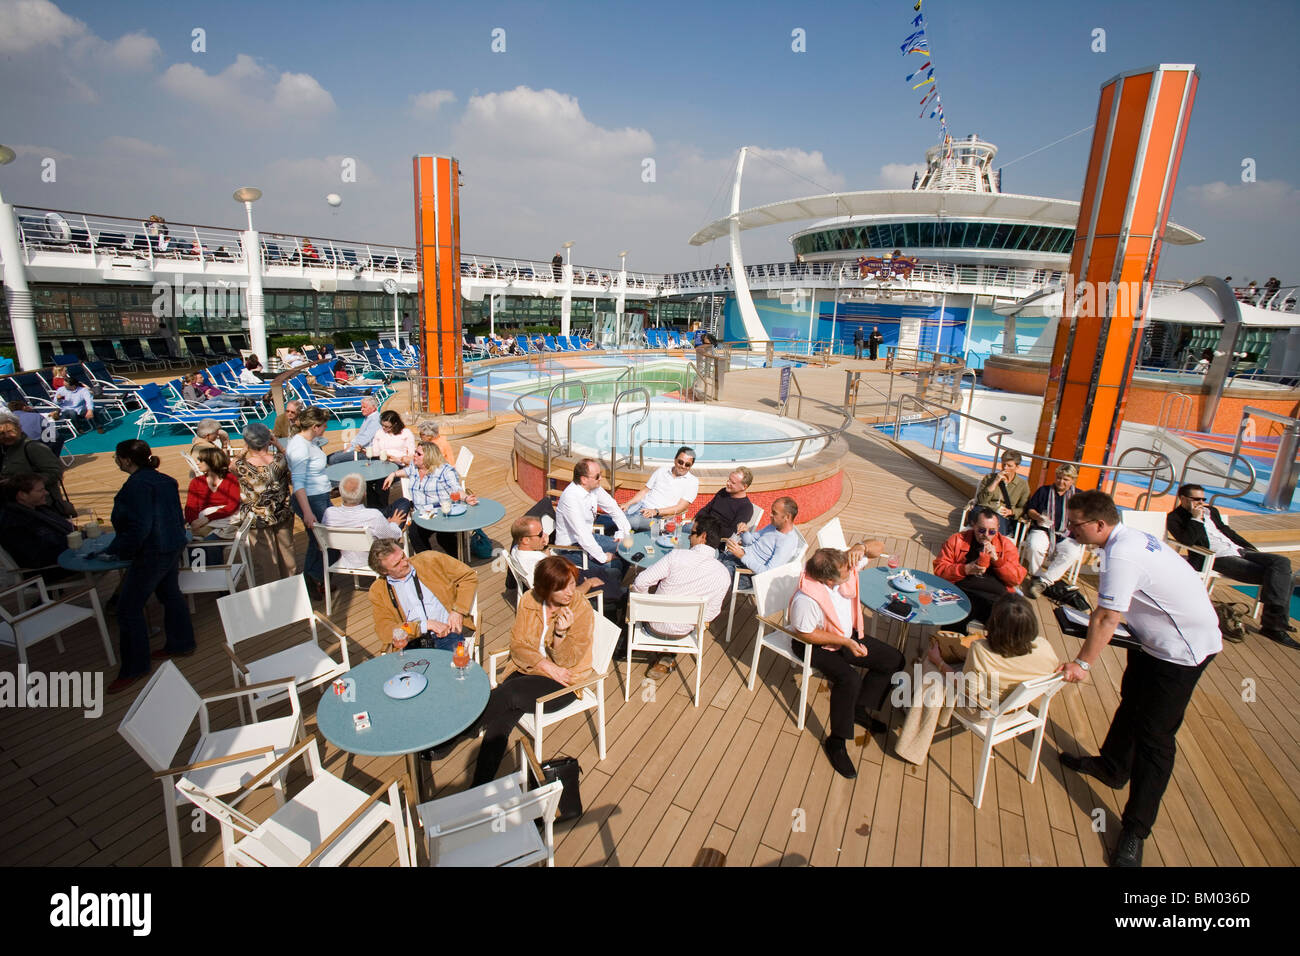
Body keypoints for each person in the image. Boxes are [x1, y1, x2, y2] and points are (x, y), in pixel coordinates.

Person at [1058, 490, 1221, 867]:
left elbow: (1106, 618)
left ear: (1100, 525)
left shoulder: (1122, 554)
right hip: (1152, 641)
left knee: (1155, 740)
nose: (1071, 529)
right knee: (1131, 700)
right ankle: (1112, 767)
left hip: (1182, 652)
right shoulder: (1124, 538)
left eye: (1075, 524)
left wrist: (1083, 664)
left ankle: (1135, 830)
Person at [471, 556, 593, 785]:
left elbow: (568, 662)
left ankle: (465, 727)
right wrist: (543, 664)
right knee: (502, 720)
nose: (571, 591)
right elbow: (517, 645)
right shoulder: (529, 599)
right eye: (563, 587)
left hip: (565, 681)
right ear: (546, 588)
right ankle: (478, 785)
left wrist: (559, 635)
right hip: (531, 669)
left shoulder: (580, 608)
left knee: (509, 692)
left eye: (572, 583)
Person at [895, 594, 1059, 765]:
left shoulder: (982, 650)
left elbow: (967, 689)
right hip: (1016, 708)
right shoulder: (1045, 648)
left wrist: (940, 662)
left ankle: (913, 738)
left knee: (931, 669)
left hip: (982, 712)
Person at [789, 545, 905, 778]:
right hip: (814, 644)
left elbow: (877, 548)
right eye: (845, 573)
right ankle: (836, 741)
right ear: (828, 580)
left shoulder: (839, 568)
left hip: (844, 636)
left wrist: (861, 547)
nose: (851, 573)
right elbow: (805, 633)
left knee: (894, 660)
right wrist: (845, 642)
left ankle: (858, 710)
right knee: (849, 679)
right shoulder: (806, 598)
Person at [101, 440, 195, 693]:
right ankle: (181, 642)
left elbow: (140, 527)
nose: (117, 462)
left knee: (127, 609)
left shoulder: (137, 487)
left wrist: (119, 551)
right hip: (172, 544)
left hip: (152, 552)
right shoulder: (165, 480)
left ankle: (134, 666)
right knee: (170, 594)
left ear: (126, 460)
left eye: (117, 458)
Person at [1166, 484, 1298, 649]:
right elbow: (1187, 540)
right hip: (1219, 557)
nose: (1200, 502)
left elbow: (1228, 532)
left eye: (1202, 499)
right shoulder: (1175, 518)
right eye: (1196, 499)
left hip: (1240, 551)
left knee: (1282, 563)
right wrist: (1195, 519)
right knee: (1285, 577)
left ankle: (1275, 614)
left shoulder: (1211, 511)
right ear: (1183, 499)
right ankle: (1275, 624)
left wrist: (1252, 550)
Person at [631, 514, 732, 679]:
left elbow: (640, 581)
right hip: (683, 633)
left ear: (703, 536)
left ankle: (624, 647)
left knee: (629, 595)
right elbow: (711, 614)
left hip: (653, 626)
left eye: (692, 533)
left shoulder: (676, 556)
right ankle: (667, 657)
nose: (689, 537)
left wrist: (644, 606)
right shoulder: (723, 574)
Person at [367, 538, 476, 652]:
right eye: (397, 564)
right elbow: (384, 630)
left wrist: (458, 610)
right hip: (411, 641)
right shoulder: (378, 590)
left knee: (453, 668)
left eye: (403, 556)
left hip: (447, 634)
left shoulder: (430, 560)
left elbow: (468, 576)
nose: (405, 563)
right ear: (384, 571)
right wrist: (422, 626)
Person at [933, 506, 1027, 628]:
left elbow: (1016, 579)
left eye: (992, 531)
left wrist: (998, 561)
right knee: (953, 624)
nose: (986, 535)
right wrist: (965, 569)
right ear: (973, 525)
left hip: (996, 599)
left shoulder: (1006, 546)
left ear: (998, 529)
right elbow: (940, 570)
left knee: (1007, 629)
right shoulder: (957, 540)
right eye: (981, 530)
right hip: (962, 595)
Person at [383, 441, 474, 556]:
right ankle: (429, 562)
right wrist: (393, 474)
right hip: (422, 514)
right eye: (415, 452)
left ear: (429, 457)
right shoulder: (414, 466)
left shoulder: (444, 471)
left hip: (441, 512)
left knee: (444, 538)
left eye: (418, 454)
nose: (414, 455)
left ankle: (457, 562)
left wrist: (466, 498)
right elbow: (406, 471)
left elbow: (455, 489)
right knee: (414, 534)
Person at [233, 423, 295, 584]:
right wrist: (278, 444)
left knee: (267, 561)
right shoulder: (280, 461)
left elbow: (231, 465)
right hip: (282, 512)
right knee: (287, 553)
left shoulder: (241, 466)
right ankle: (292, 587)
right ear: (268, 440)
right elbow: (292, 461)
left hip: (257, 518)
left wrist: (244, 449)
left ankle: (274, 593)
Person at [284, 406, 332, 600]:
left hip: (319, 495)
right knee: (328, 541)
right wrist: (308, 513)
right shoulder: (300, 446)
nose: (326, 428)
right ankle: (314, 577)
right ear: (314, 427)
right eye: (324, 425)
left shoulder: (305, 441)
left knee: (316, 541)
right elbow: (298, 482)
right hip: (312, 500)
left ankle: (314, 580)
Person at [554, 458, 631, 573]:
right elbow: (581, 534)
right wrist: (603, 557)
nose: (600, 478)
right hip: (571, 549)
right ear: (584, 479)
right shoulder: (570, 498)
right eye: (597, 476)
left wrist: (623, 533)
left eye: (600, 474)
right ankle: (613, 588)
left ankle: (616, 586)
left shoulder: (594, 488)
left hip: (589, 539)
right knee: (614, 566)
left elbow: (613, 508)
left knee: (627, 548)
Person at [322, 473, 408, 570]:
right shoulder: (373, 516)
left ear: (341, 494)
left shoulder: (329, 513)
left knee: (381, 515)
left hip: (347, 558)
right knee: (403, 502)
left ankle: (383, 522)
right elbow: (393, 536)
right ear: (364, 494)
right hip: (375, 558)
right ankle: (385, 522)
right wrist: (393, 523)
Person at [1022, 464, 1084, 597]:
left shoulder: (1079, 496)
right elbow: (1030, 509)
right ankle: (1036, 575)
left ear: (1073, 480)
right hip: (1043, 528)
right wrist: (1038, 516)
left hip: (1067, 533)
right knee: (1034, 546)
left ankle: (1043, 581)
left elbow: (1086, 517)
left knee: (1072, 553)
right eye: (1059, 478)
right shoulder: (1044, 491)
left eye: (1065, 479)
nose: (1061, 482)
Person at [0, 473, 76, 576]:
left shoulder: (38, 509)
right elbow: (38, 556)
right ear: (22, 495)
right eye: (40, 490)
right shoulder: (14, 523)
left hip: (67, 555)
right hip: (51, 569)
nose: (47, 493)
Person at [619, 446, 699, 531]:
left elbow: (681, 507)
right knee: (616, 513)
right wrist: (628, 504)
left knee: (624, 521)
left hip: (658, 518)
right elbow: (644, 491)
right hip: (638, 507)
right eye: (680, 462)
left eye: (687, 464)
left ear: (691, 465)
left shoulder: (692, 482)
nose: (683, 466)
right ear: (675, 460)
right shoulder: (662, 471)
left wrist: (656, 511)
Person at [722, 496, 801, 573]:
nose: (770, 515)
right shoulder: (773, 526)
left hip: (743, 571)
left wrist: (742, 556)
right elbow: (749, 542)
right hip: (736, 558)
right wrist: (745, 532)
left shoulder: (787, 542)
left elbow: (768, 572)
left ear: (787, 517)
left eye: (774, 513)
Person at [0, 410, 65, 498]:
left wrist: (20, 482)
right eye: (2, 433)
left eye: (10, 431)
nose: (7, 436)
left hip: (42, 504)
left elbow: (55, 473)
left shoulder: (32, 447)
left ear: (19, 428)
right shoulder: (4, 450)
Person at [183, 446, 241, 531]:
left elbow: (232, 505)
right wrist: (193, 522)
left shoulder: (230, 479)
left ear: (212, 461)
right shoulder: (196, 482)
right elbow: (191, 507)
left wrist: (207, 518)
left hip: (225, 519)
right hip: (204, 522)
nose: (197, 463)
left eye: (201, 460)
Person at [973, 450, 1030, 534]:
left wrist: (1012, 512)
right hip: (985, 510)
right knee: (982, 522)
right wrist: (995, 481)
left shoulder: (1022, 485)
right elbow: (981, 501)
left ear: (1017, 467)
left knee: (997, 528)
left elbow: (1024, 508)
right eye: (1003, 464)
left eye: (1009, 466)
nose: (1005, 468)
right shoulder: (989, 478)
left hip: (1003, 516)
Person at [693, 466, 754, 538]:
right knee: (680, 532)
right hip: (702, 527)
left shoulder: (746, 507)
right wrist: (697, 519)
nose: (728, 483)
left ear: (744, 487)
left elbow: (732, 533)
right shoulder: (723, 492)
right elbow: (706, 509)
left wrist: (708, 527)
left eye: (733, 483)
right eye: (729, 480)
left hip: (714, 539)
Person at [325, 396, 380, 465]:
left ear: (373, 408)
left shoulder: (375, 420)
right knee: (330, 457)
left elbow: (365, 438)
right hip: (358, 448)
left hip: (365, 452)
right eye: (361, 407)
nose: (362, 409)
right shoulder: (369, 417)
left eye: (364, 407)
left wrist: (350, 448)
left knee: (332, 459)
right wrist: (351, 444)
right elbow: (361, 435)